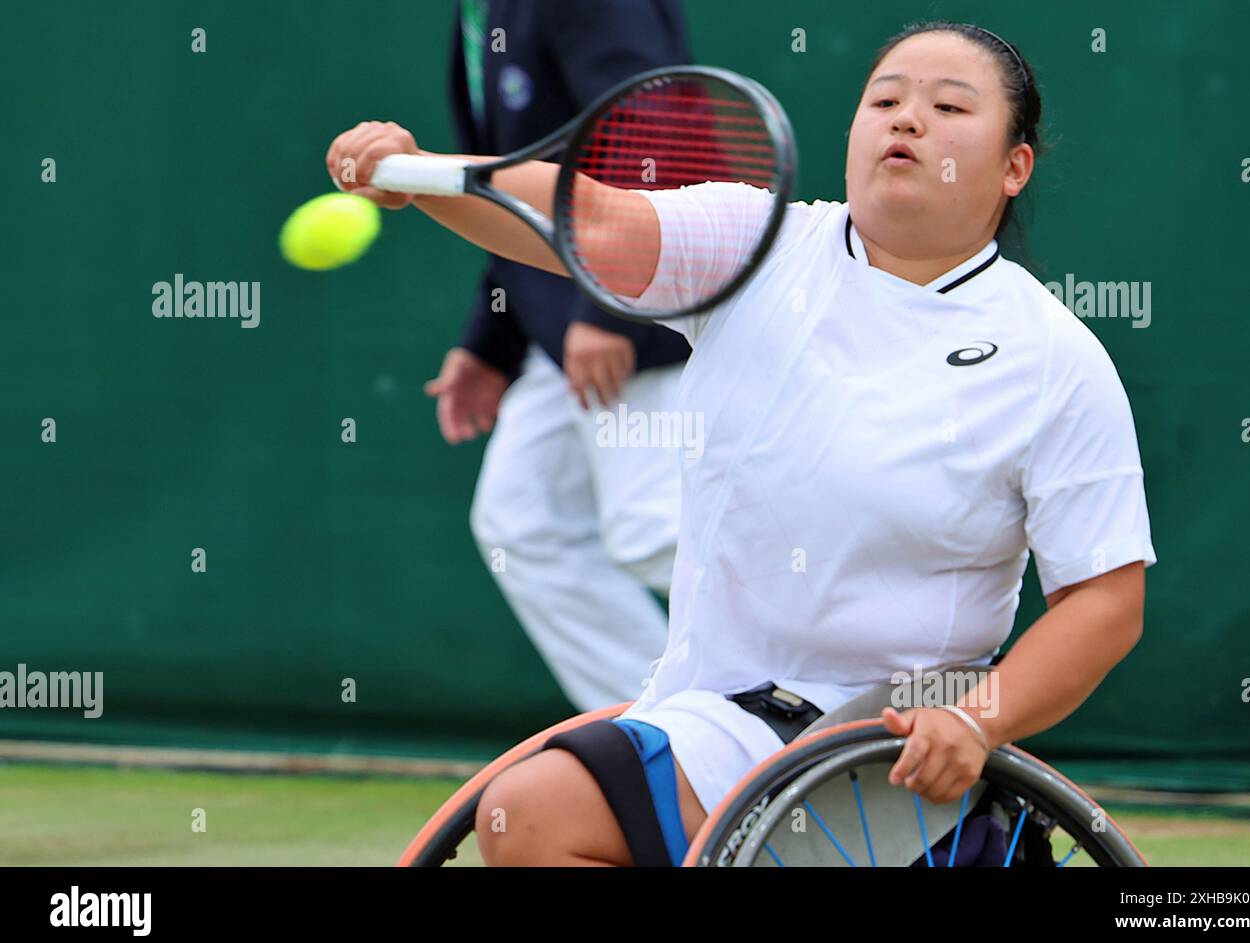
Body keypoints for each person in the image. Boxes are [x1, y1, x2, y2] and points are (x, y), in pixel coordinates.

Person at [326, 20, 1157, 867]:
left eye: (949, 107)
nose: (908, 121)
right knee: (530, 817)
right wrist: (424, 177)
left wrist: (978, 718)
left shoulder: (1056, 359)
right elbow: (599, 220)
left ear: (1015, 166)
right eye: (886, 100)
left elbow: (1104, 602)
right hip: (713, 720)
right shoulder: (759, 243)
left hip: (893, 761)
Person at [428, 0, 694, 711]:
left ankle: (855, 674)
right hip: (557, 324)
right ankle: (667, 734)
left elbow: (652, 129)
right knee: (526, 525)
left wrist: (613, 309)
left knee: (654, 531)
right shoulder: (479, 10)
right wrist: (491, 344)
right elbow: (517, 189)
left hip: (634, 310)